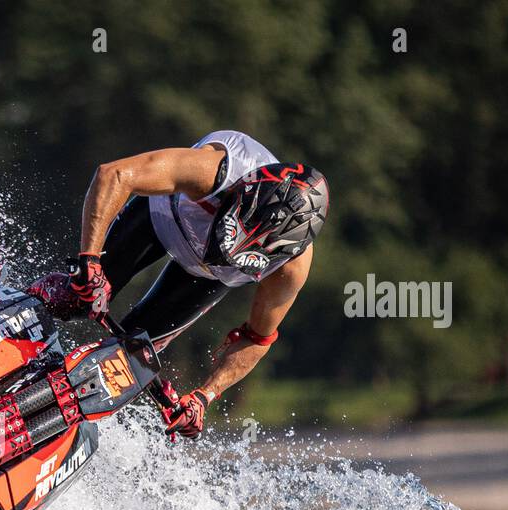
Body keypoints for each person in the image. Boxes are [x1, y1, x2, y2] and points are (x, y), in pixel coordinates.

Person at [28, 130, 329, 439]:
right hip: (161, 219)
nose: (226, 251)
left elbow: (257, 338)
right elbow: (114, 174)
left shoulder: (290, 269)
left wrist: (204, 396)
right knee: (75, 299)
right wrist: (89, 261)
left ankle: (41, 429)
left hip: (207, 277)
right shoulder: (214, 170)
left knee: (125, 361)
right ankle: (3, 319)